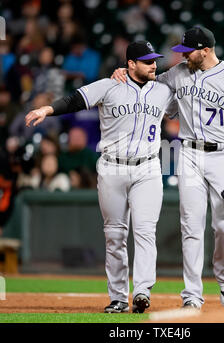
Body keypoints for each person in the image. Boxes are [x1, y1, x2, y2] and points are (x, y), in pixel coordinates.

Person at [112, 26, 224, 309]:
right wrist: (122, 72)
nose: (183, 55)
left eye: (188, 51)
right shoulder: (178, 73)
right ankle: (192, 295)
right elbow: (147, 80)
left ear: (205, 50)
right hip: (189, 154)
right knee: (191, 227)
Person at [25, 40, 175, 313]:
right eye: (147, 60)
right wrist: (46, 110)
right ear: (130, 64)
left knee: (144, 230)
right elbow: (75, 100)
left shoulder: (164, 89)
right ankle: (118, 297)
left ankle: (142, 292)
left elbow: (189, 90)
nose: (154, 64)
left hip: (148, 168)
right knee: (115, 235)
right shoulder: (109, 85)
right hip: (112, 167)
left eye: (154, 59)